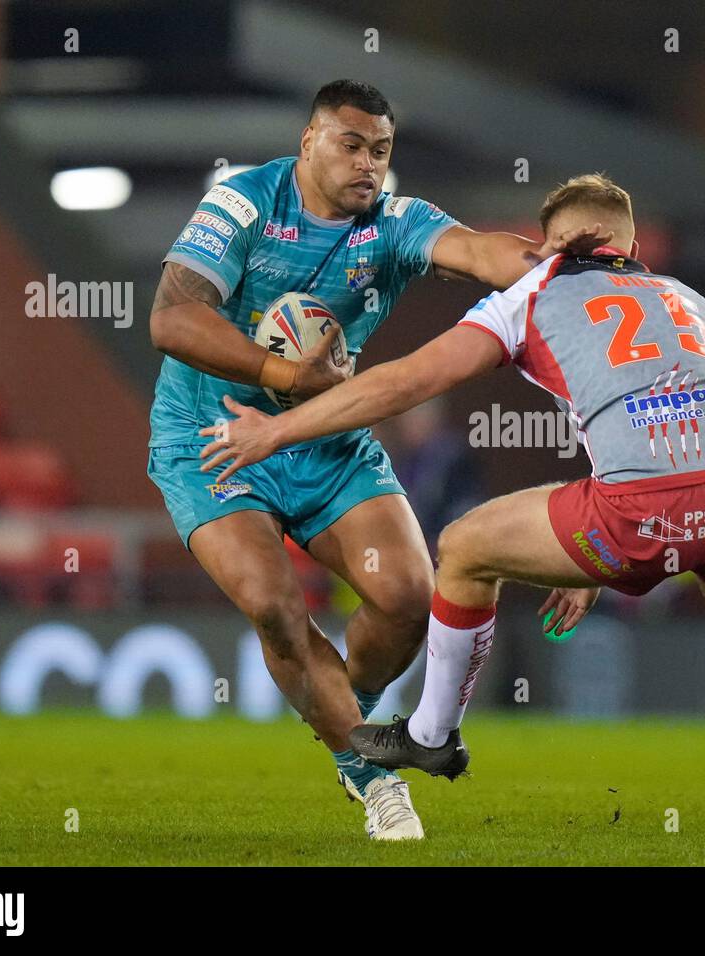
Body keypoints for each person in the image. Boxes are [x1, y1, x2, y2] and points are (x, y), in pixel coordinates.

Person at [197, 173, 705, 849]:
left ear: (547, 246)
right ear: (629, 246)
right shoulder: (683, 295)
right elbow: (648, 406)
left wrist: (280, 428)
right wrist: (587, 559)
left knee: (466, 545)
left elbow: (407, 381)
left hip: (642, 507)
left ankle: (433, 736)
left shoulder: (531, 292)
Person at [147, 80, 607, 841]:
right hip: (213, 439)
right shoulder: (244, 203)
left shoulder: (393, 224)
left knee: (407, 597)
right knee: (272, 605)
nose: (368, 164)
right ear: (308, 142)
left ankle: (337, 715)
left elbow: (476, 249)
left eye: (382, 151)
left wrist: (550, 264)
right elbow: (171, 316)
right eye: (351, 145)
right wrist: (288, 378)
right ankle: (369, 773)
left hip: (327, 444)